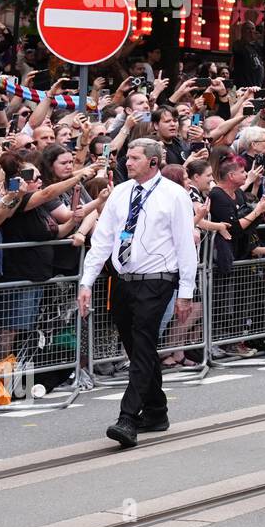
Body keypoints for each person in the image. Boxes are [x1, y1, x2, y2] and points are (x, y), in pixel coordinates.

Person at [78, 139, 199, 448]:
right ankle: (156, 410)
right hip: (123, 280)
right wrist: (86, 282)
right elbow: (103, 240)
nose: (127, 163)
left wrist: (186, 291)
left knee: (143, 341)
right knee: (136, 347)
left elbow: (186, 245)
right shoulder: (120, 193)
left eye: (134, 158)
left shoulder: (175, 196)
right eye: (127, 157)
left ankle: (128, 418)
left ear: (153, 162)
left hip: (157, 280)